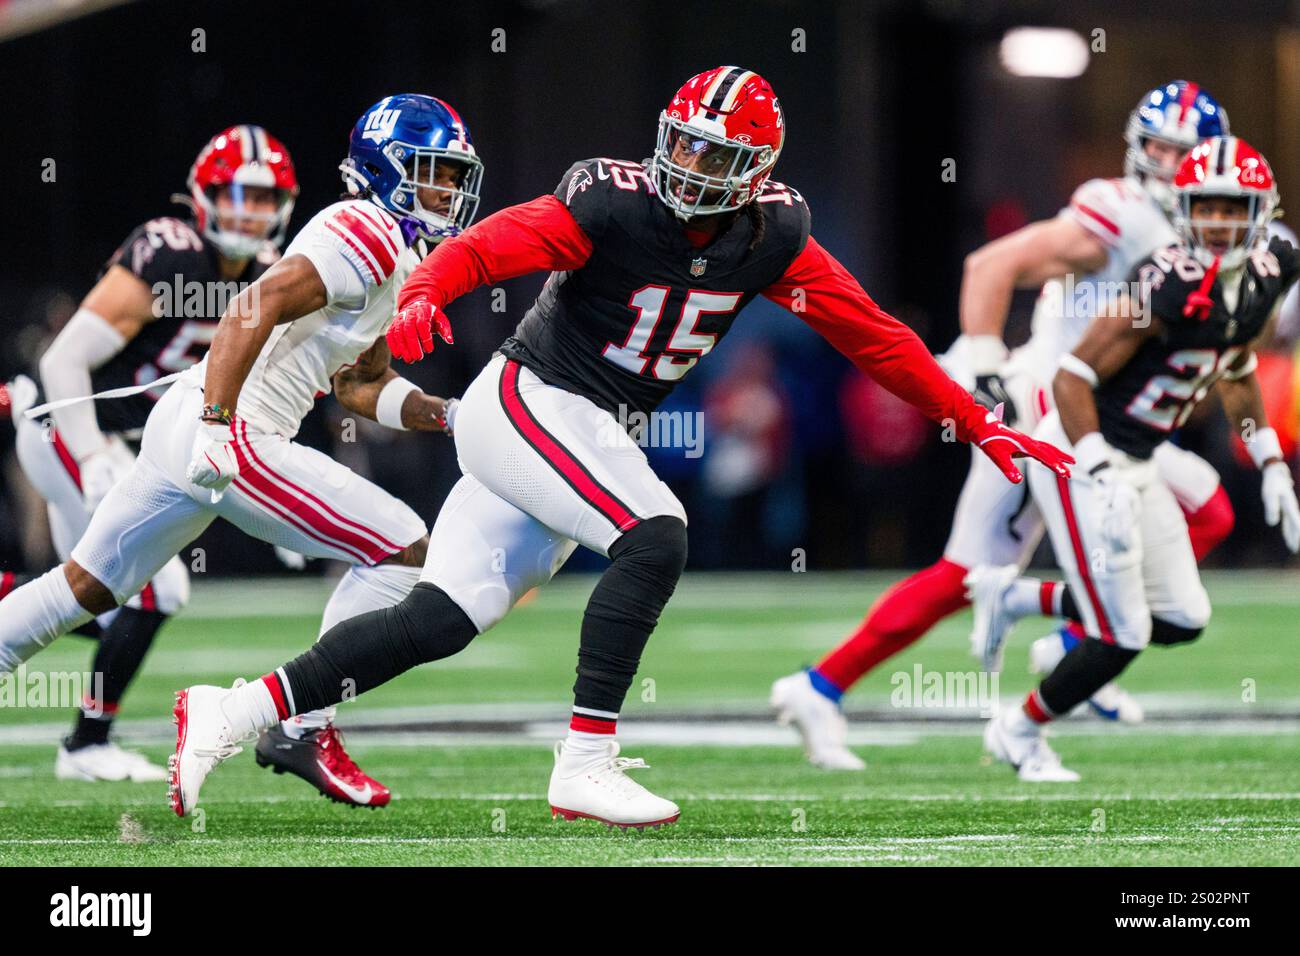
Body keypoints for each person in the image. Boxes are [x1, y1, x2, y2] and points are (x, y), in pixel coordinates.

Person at [169, 66, 1072, 827]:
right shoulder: (612, 199)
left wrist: (982, 421)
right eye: (682, 143)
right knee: (656, 532)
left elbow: (876, 337)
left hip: (579, 425)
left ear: (756, 171)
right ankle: (585, 759)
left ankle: (233, 709)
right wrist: (427, 291)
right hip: (533, 399)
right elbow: (495, 242)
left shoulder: (777, 238)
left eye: (715, 156)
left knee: (442, 618)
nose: (688, 166)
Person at [0, 94, 479, 806]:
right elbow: (249, 308)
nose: (449, 190)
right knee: (406, 548)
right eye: (435, 172)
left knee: (84, 590)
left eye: (453, 173)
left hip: (185, 422)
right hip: (229, 428)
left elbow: (359, 383)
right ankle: (302, 724)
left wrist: (456, 417)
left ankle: (294, 724)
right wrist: (221, 423)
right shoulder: (369, 228)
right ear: (390, 169)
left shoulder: (400, 251)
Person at [771, 81, 1233, 769]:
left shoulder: (1198, 234)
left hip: (1103, 424)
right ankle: (827, 685)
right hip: (1048, 414)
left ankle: (1076, 642)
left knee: (1207, 510)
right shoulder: (1125, 215)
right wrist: (983, 363)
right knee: (970, 574)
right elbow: (993, 263)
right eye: (1159, 149)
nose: (1168, 165)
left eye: (1182, 152)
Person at [974, 137, 1300, 780]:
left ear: (1261, 213)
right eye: (1206, 208)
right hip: (1077, 451)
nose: (1218, 223)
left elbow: (1233, 364)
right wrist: (1097, 469)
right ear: (1184, 210)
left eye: (1233, 209)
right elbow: (1070, 378)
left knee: (1181, 618)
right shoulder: (1164, 281)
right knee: (1120, 632)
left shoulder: (1271, 270)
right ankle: (1018, 730)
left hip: (1142, 458)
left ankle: (1017, 596)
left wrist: (1269, 461)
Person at [2, 125, 296, 781]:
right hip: (70, 427)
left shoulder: (273, 281)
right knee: (153, 590)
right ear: (204, 196)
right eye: (237, 194)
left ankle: (84, 741)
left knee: (105, 600)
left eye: (263, 197)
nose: (249, 211)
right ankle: (85, 744)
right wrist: (93, 452)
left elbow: (257, 397)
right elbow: (64, 358)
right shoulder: (169, 254)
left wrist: (281, 494)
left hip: (137, 446)